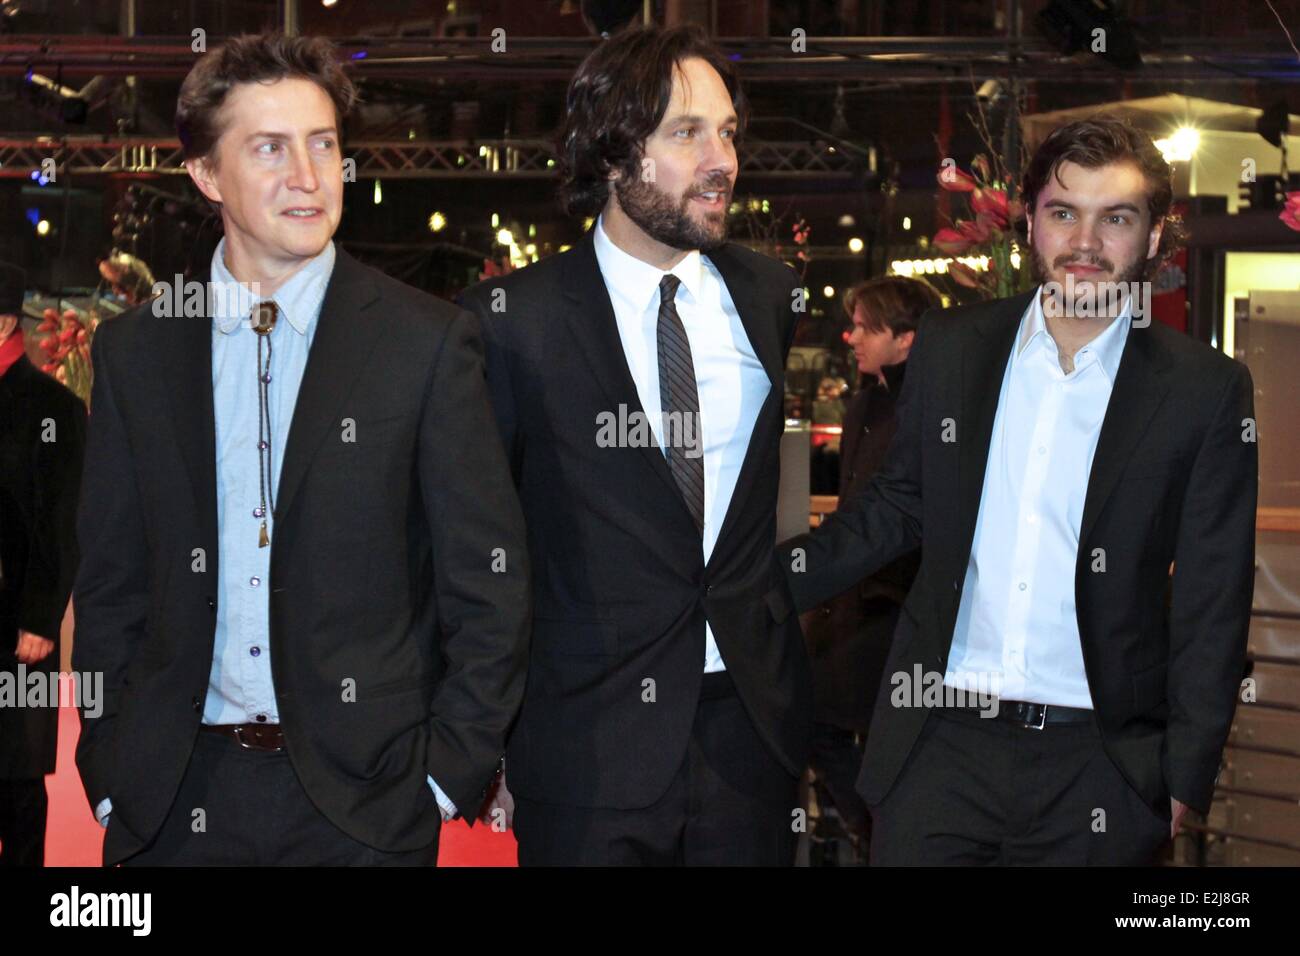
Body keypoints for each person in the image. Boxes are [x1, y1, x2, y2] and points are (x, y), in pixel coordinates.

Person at [73, 33, 529, 866]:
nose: (309, 176)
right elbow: (111, 583)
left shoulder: (425, 343)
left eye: (324, 144)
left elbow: (488, 579)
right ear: (208, 175)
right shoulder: (135, 351)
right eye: (270, 148)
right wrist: (108, 762)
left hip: (366, 803)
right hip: (173, 798)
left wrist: (445, 771)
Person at [774, 117, 1257, 865]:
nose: (1086, 243)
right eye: (1064, 213)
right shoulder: (954, 345)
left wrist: (1183, 777)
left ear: (1156, 238)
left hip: (1100, 767)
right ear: (1029, 224)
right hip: (939, 748)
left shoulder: (1204, 390)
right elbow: (895, 509)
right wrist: (759, 589)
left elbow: (1212, 595)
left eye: (1117, 218)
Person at [459, 24, 812, 865]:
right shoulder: (513, 322)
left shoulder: (769, 296)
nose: (722, 158)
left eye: (728, 132)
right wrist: (489, 736)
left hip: (748, 737)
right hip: (583, 744)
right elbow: (481, 548)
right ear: (614, 155)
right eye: (687, 133)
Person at [802, 276, 938, 861]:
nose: (850, 336)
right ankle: (873, 833)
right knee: (807, 713)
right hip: (850, 600)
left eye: (865, 326)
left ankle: (883, 836)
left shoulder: (930, 410)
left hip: (899, 610)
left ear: (905, 338)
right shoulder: (864, 404)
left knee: (879, 741)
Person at [0, 262, 86, 866]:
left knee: (16, 780)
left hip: (16, 627)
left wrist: (38, 619)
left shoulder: (51, 407)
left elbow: (64, 523)